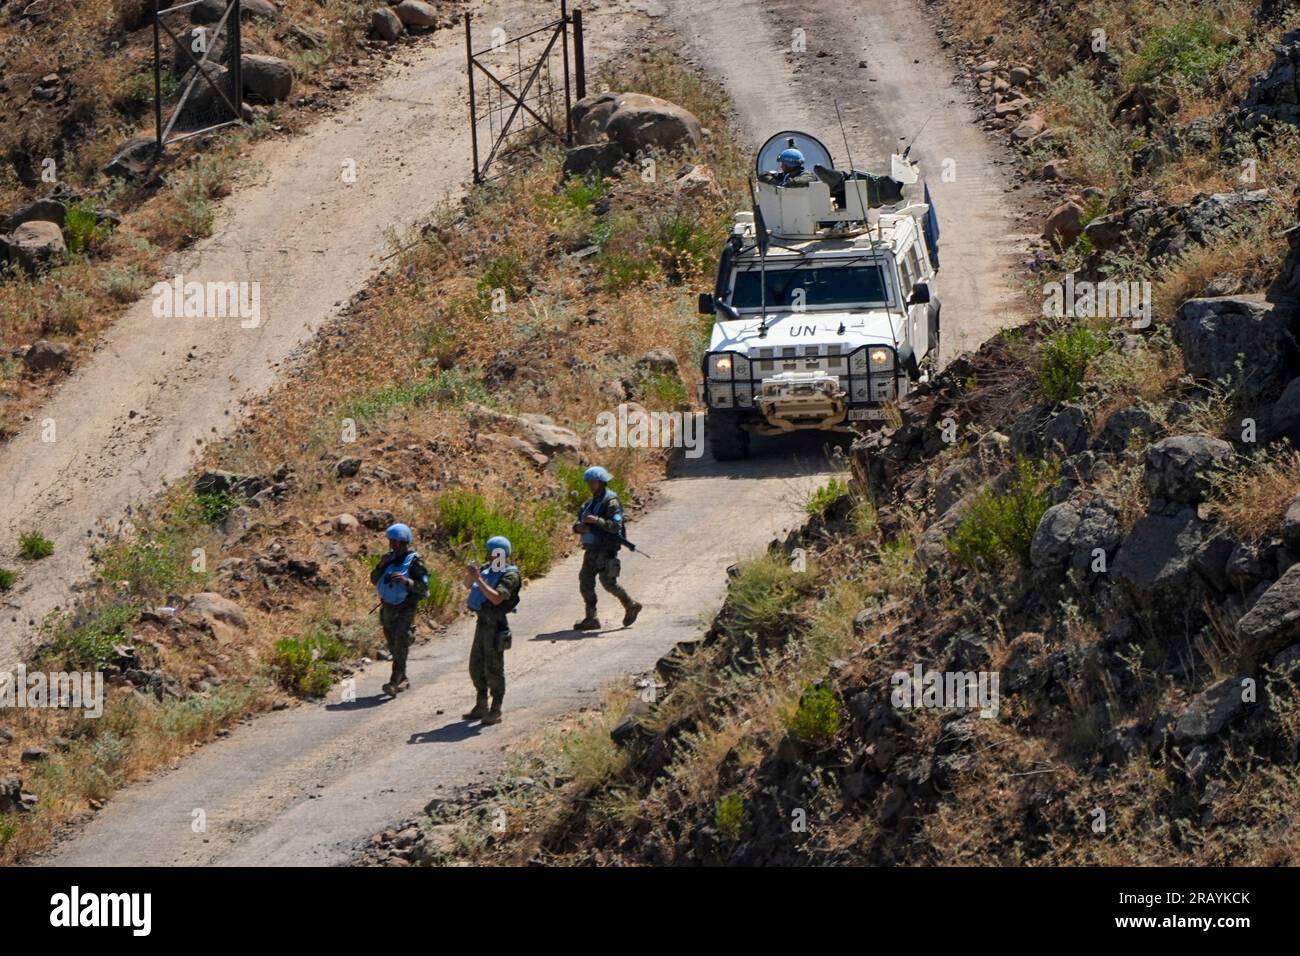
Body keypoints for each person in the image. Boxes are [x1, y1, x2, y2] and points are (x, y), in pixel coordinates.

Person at [572, 466, 642, 632]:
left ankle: (630, 605)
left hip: (605, 548)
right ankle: (591, 617)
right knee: (585, 581)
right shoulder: (589, 503)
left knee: (608, 583)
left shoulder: (611, 502)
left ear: (602, 482)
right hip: (591, 549)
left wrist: (597, 521)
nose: (590, 485)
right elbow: (578, 522)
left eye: (593, 482)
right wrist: (578, 528)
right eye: (588, 482)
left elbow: (615, 526)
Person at [462, 535, 521, 726]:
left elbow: (497, 598)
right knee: (476, 666)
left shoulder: (510, 575)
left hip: (496, 625)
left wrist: (479, 579)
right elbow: (468, 585)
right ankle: (481, 705)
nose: (488, 557)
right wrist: (473, 575)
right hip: (482, 623)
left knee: (494, 669)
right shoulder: (488, 570)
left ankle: (496, 709)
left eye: (492, 554)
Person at [370, 523, 430, 697]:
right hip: (388, 607)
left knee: (401, 642)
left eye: (396, 542)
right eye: (391, 542)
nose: (393, 545)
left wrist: (406, 581)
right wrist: (381, 566)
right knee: (392, 644)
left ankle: (394, 680)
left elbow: (424, 588)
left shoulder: (415, 561)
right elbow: (374, 580)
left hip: (406, 608)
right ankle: (402, 677)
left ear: (404, 542)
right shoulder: (388, 559)